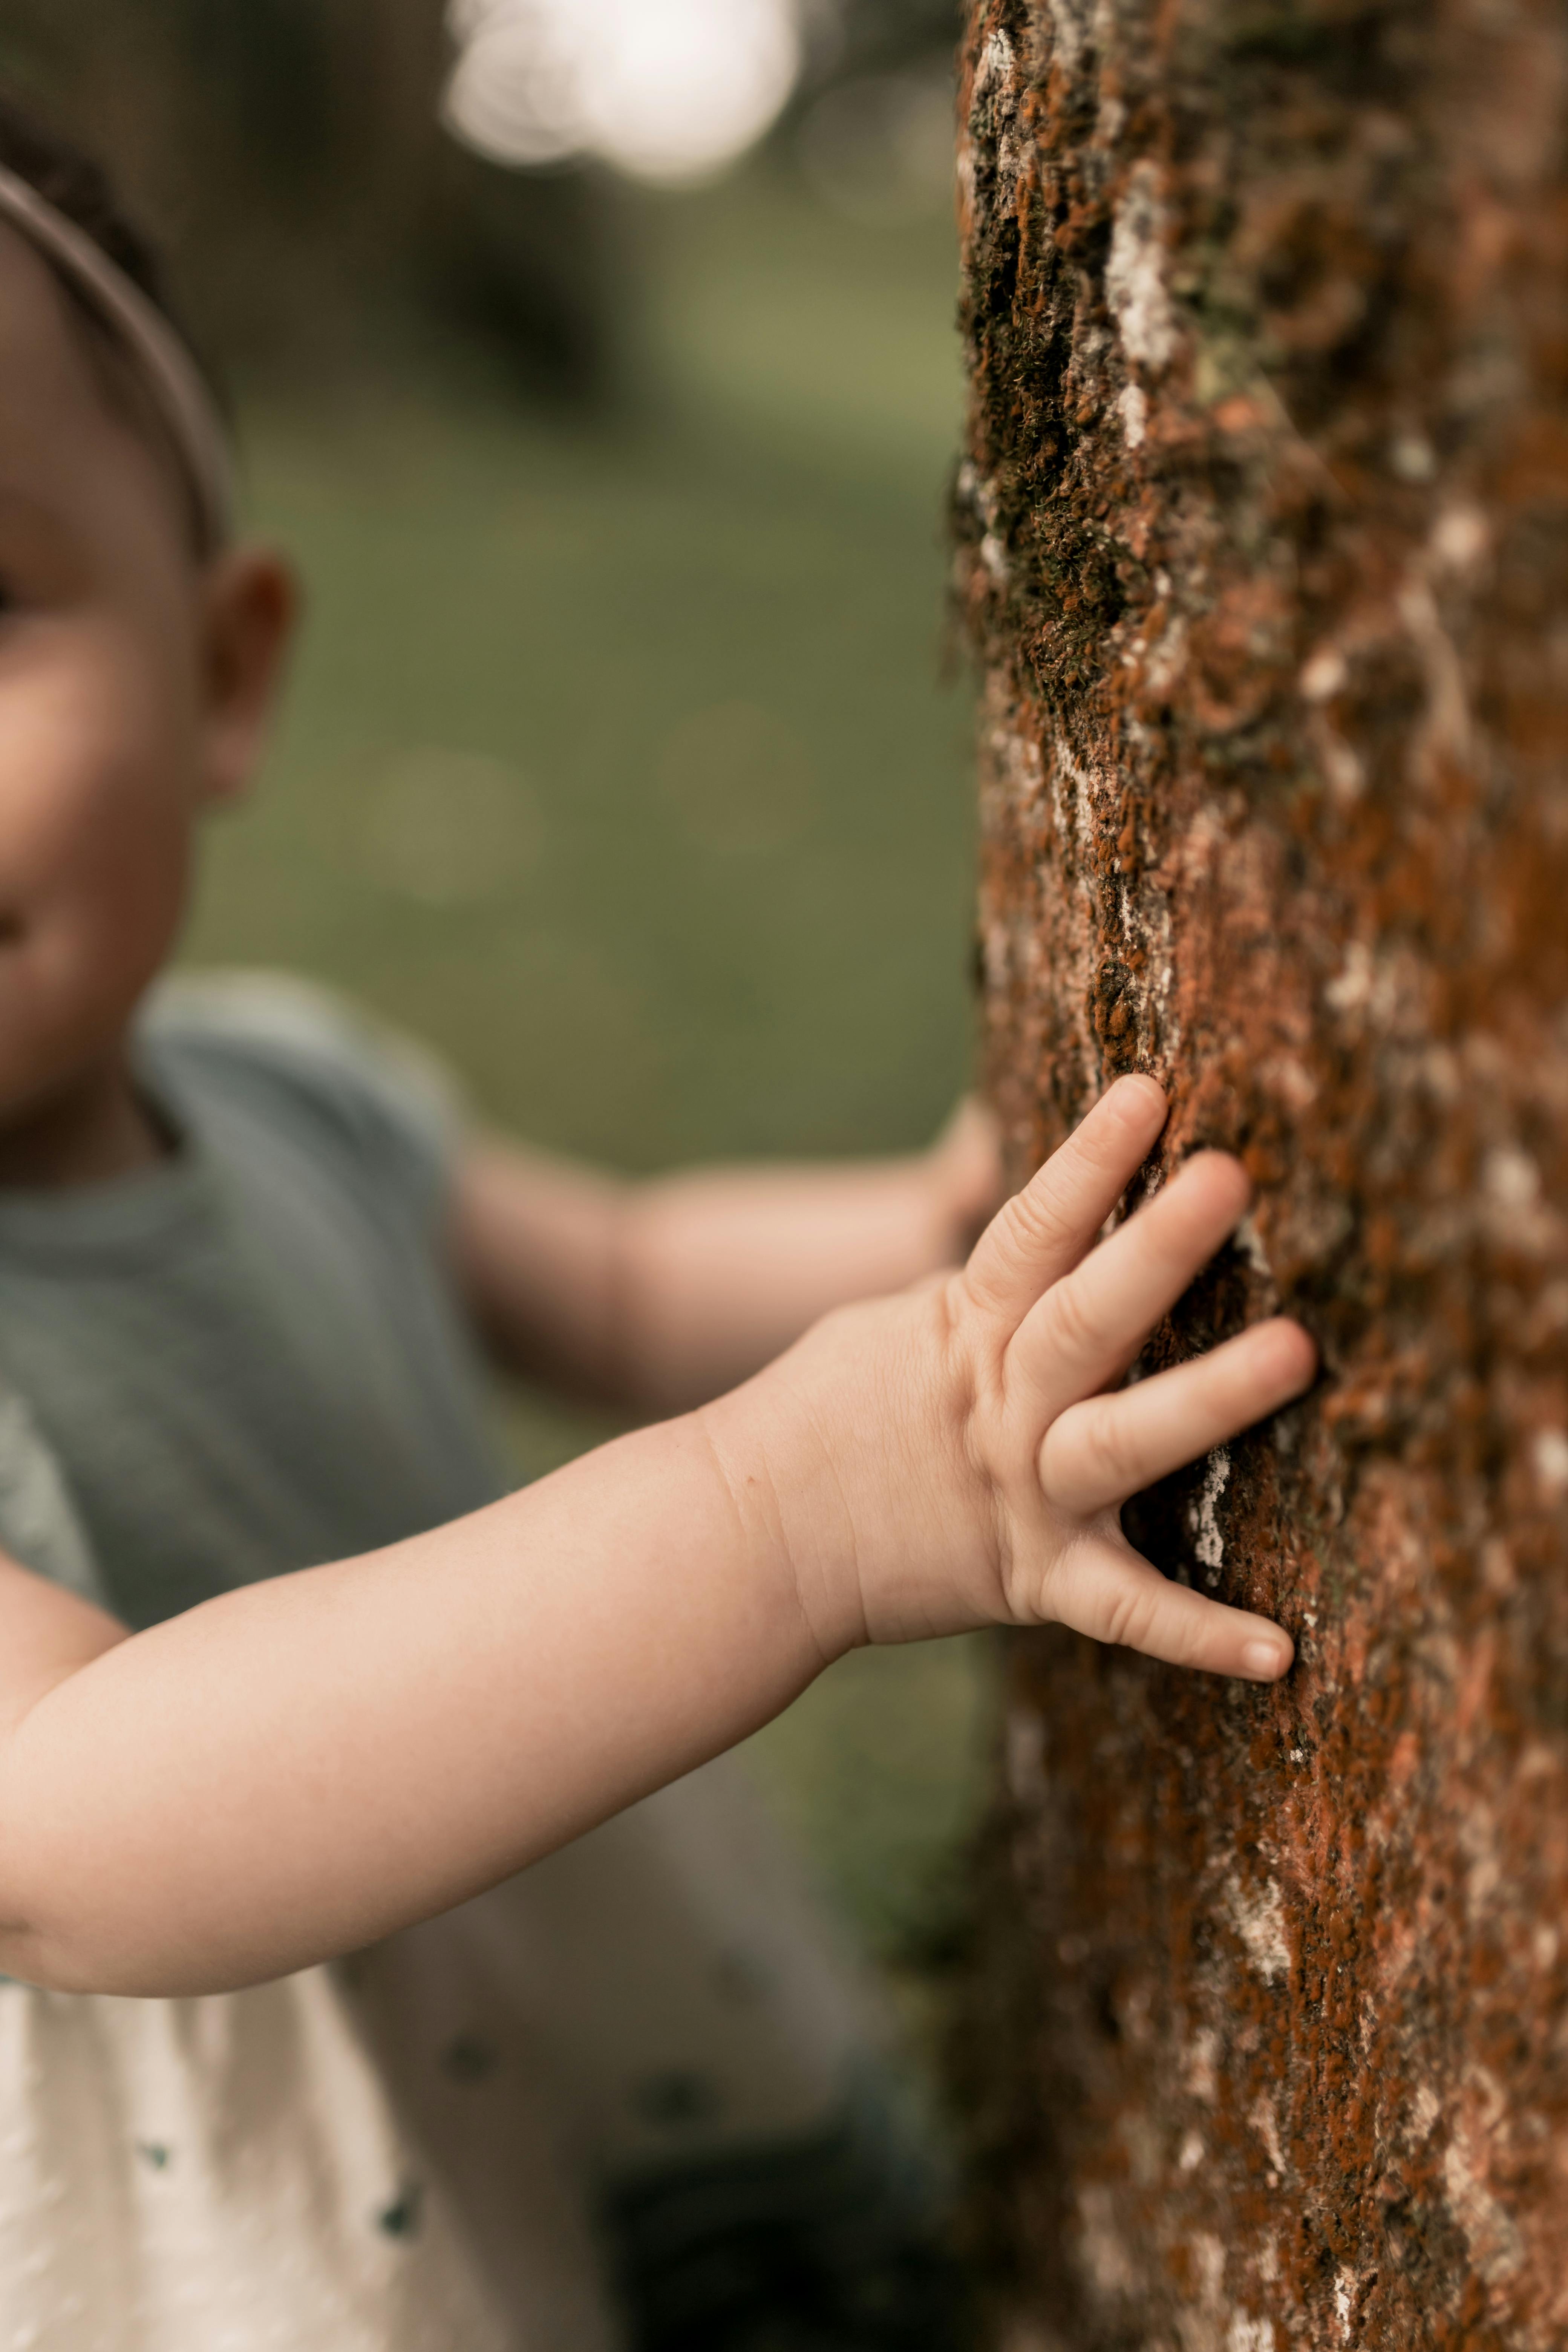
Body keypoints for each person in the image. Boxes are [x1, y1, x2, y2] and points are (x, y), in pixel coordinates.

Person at [0, 94, 1317, 2352]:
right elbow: (67, 1827)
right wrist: (790, 1516)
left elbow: (620, 1278)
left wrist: (948, 1238)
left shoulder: (294, 1095)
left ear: (222, 672)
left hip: (598, 2114)